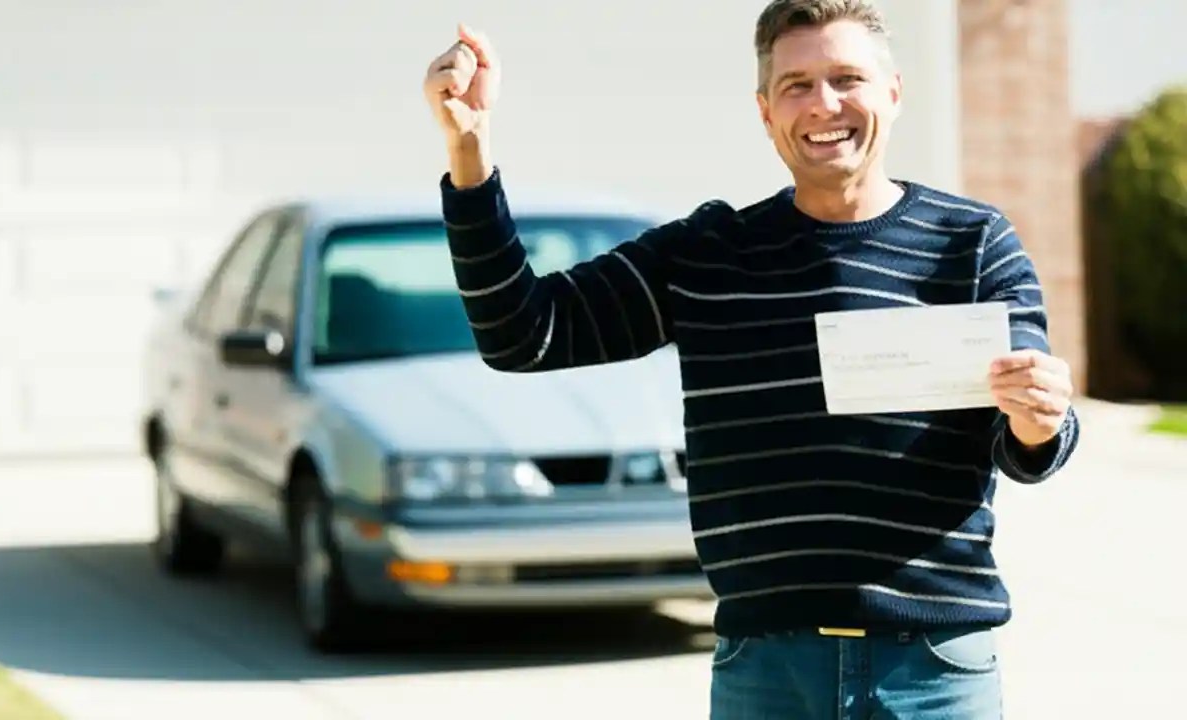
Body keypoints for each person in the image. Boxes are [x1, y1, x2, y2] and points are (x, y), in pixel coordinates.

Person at [422, 1, 1080, 717]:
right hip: (767, 672)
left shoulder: (974, 244)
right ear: (766, 113)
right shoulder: (707, 255)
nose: (824, 103)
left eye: (847, 78)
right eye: (797, 84)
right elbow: (525, 333)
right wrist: (469, 152)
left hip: (934, 674)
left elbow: (1032, 447)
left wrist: (1042, 419)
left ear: (893, 92)